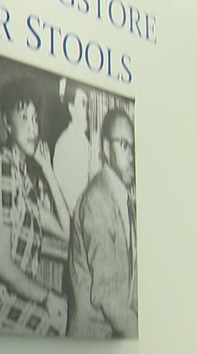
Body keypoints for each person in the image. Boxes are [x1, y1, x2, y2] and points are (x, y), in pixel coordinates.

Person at [0, 77, 72, 336]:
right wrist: (47, 298)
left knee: (70, 319)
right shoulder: (1, 168)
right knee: (60, 328)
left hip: (12, 297)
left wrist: (48, 170)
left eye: (35, 119)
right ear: (7, 122)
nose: (34, 128)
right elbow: (4, 267)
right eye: (24, 117)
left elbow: (65, 231)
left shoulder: (22, 178)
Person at [67, 108, 138, 339]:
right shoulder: (97, 200)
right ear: (106, 149)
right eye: (124, 145)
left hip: (116, 335)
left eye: (134, 148)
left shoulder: (123, 198)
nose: (132, 157)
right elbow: (106, 294)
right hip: (94, 340)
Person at [53, 80, 95, 214]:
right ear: (71, 108)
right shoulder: (67, 142)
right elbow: (72, 201)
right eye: (83, 104)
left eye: (88, 105)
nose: (87, 110)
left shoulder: (84, 141)